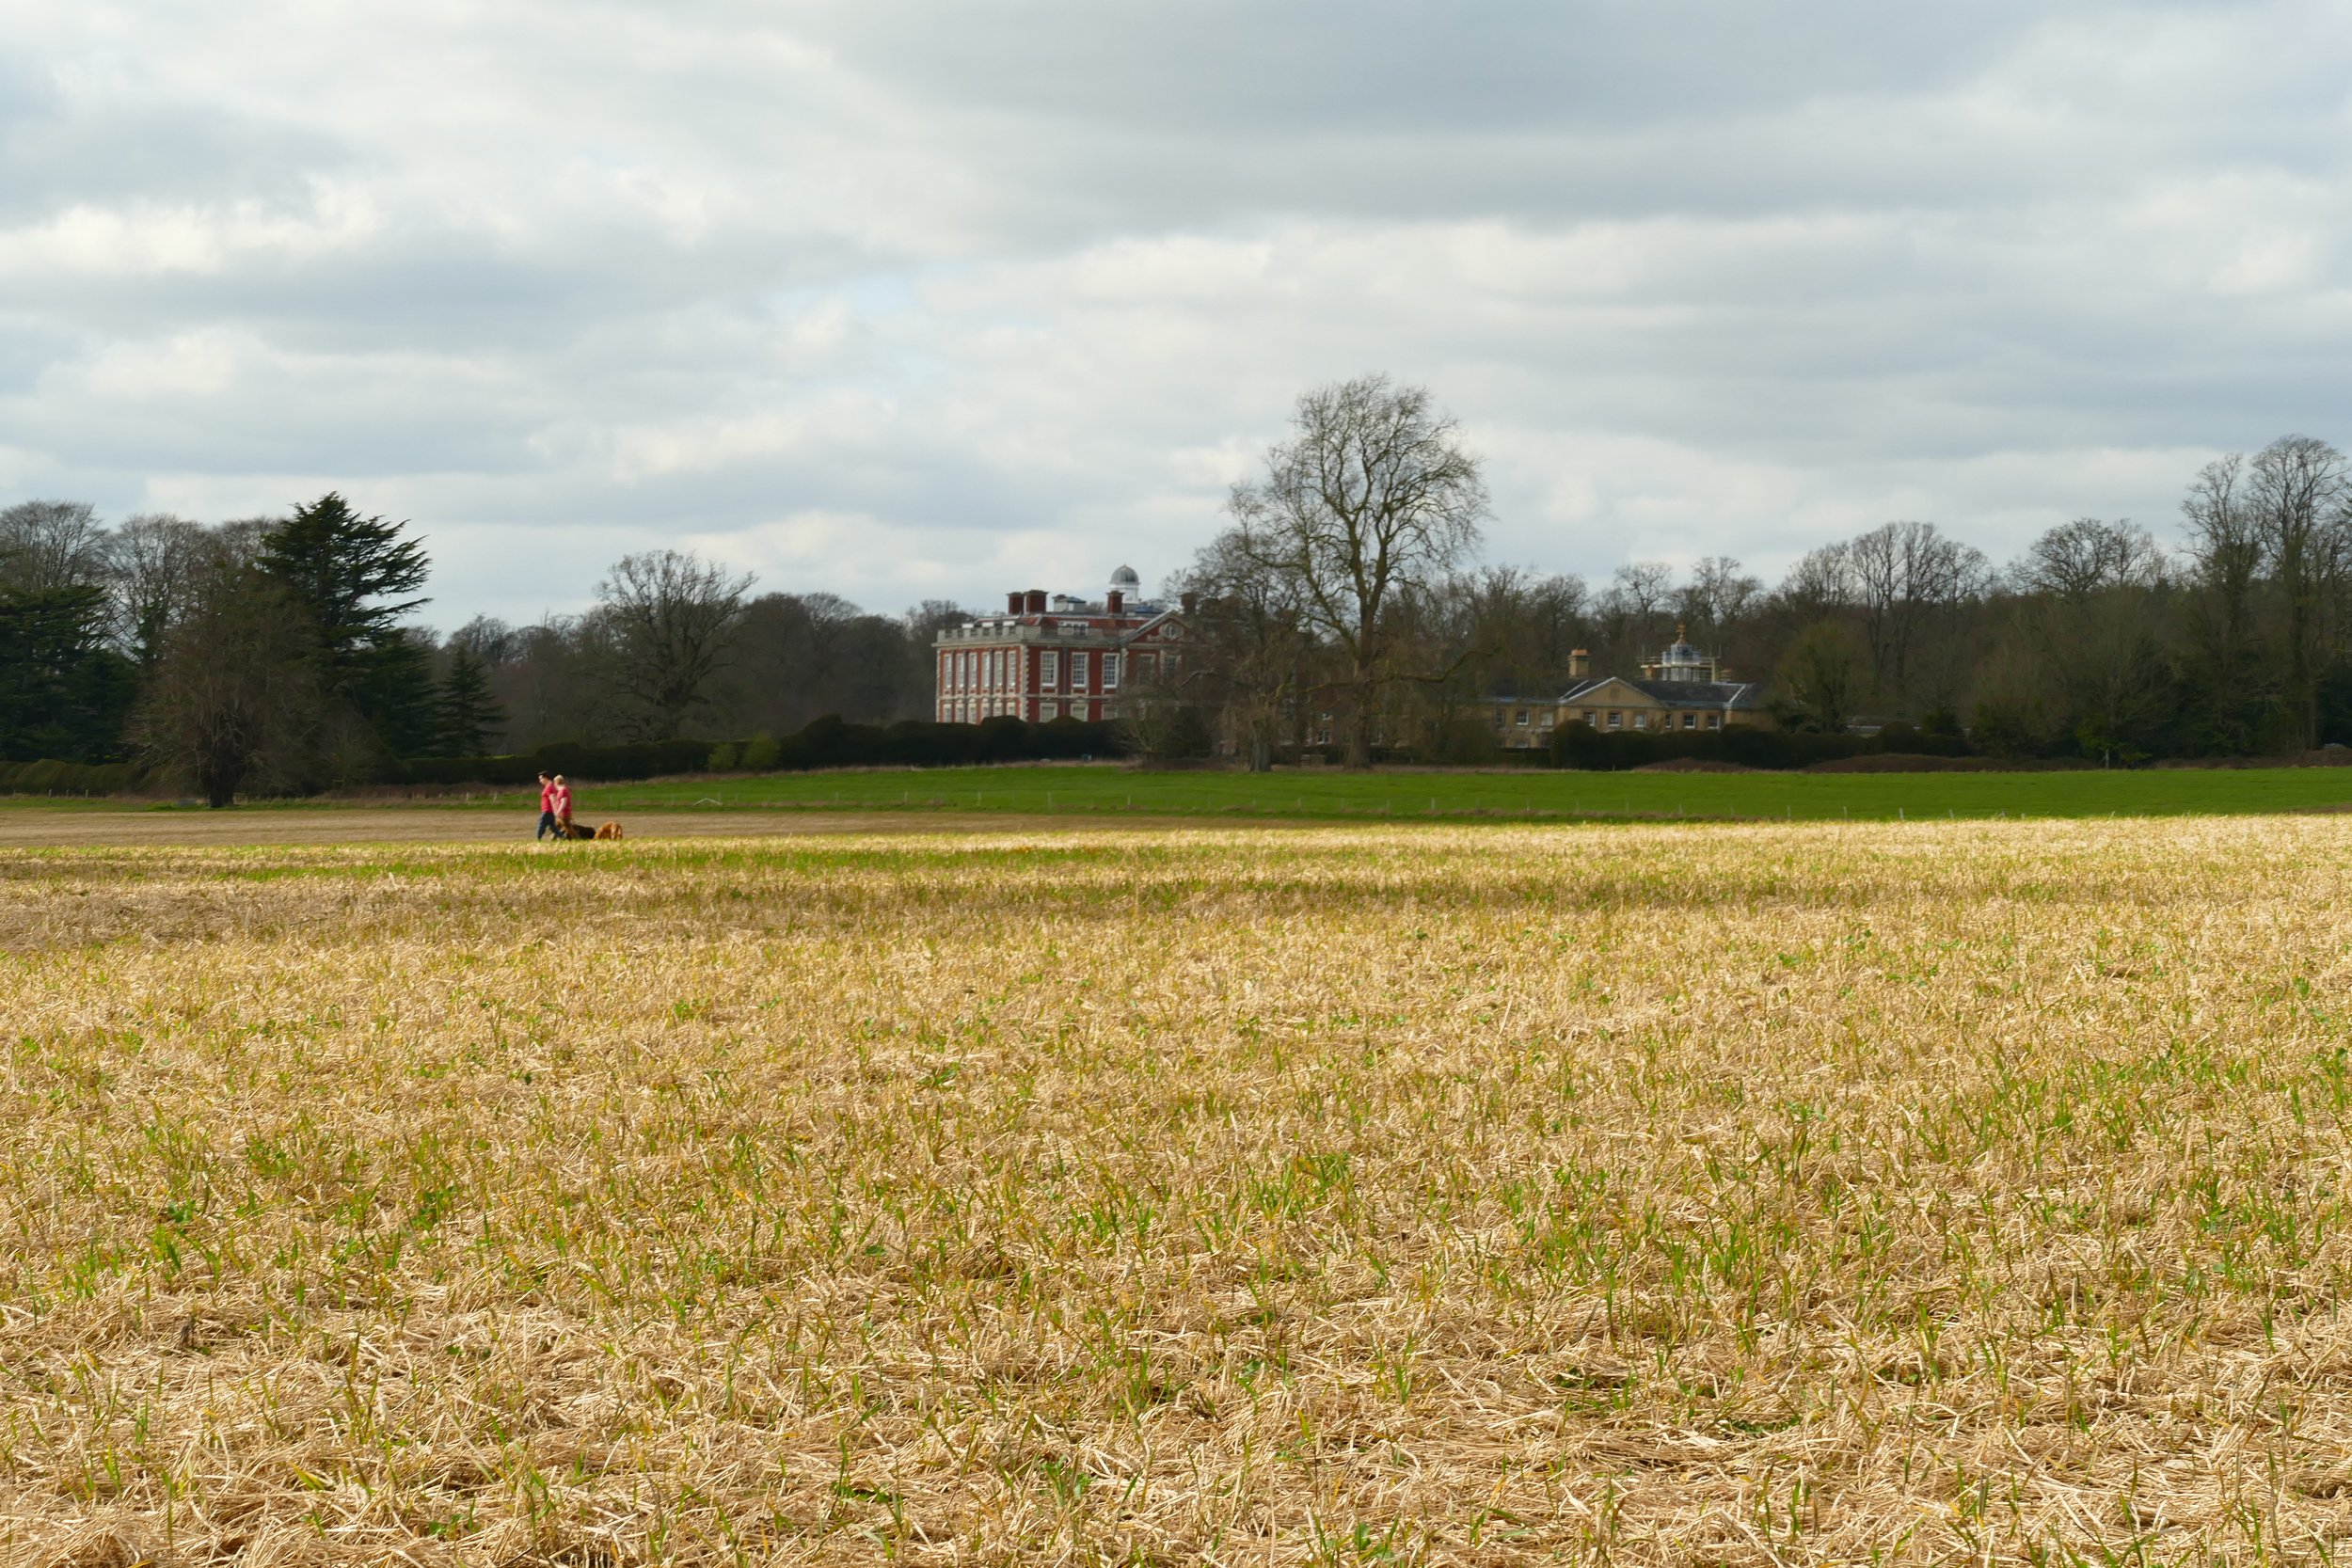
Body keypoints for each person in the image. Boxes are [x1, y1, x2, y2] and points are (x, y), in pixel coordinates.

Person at [535, 771, 559, 840]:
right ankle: (563, 838)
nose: (540, 781)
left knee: (541, 825)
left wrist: (555, 811)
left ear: (545, 778)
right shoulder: (550, 786)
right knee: (553, 828)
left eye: (541, 779)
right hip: (549, 811)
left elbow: (553, 800)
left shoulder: (549, 787)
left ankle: (538, 839)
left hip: (547, 811)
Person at [552, 773, 574, 838]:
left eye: (554, 782)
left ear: (556, 782)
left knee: (569, 829)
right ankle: (553, 839)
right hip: (562, 814)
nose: (554, 784)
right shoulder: (562, 790)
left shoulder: (563, 790)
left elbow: (563, 802)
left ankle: (577, 839)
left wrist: (558, 811)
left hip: (564, 814)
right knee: (556, 828)